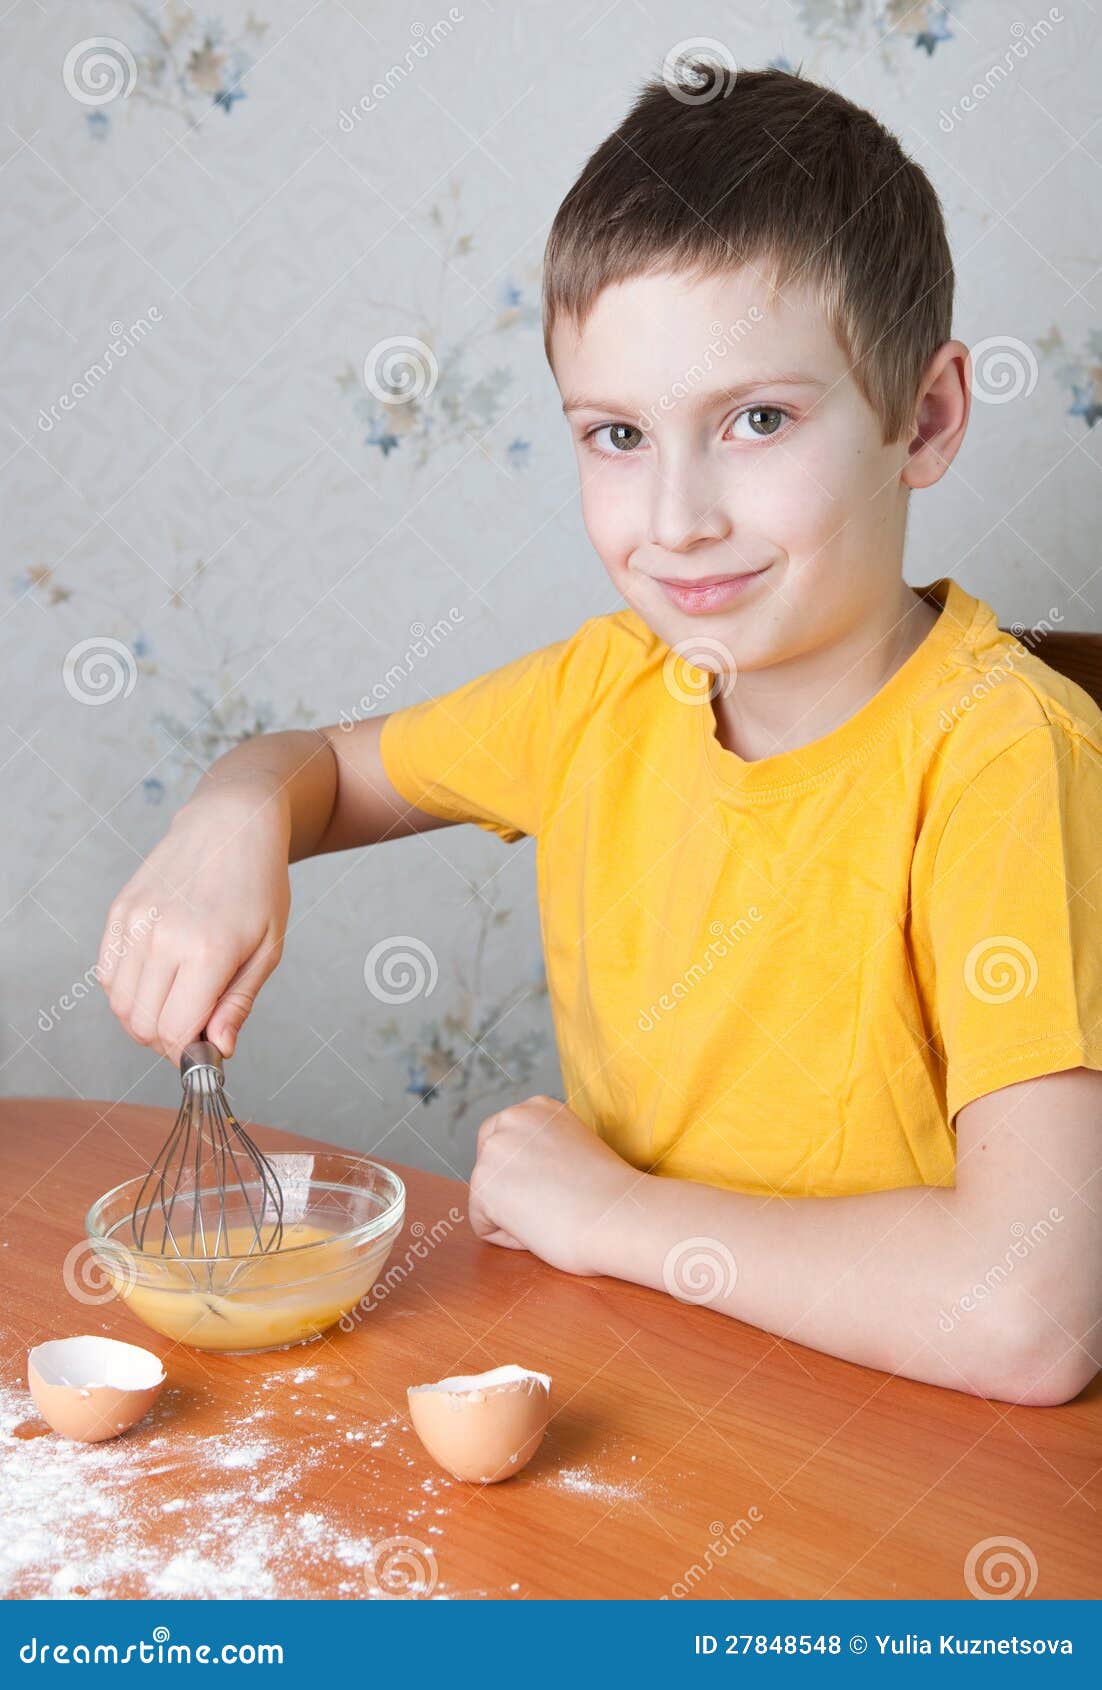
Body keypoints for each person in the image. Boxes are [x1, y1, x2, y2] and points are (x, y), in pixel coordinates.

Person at [99, 66, 1102, 1406]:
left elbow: (1031, 1317)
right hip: (649, 1400)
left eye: (758, 420)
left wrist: (610, 1214)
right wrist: (233, 812)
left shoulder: (1002, 758)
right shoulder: (601, 694)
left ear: (921, 418)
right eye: (618, 434)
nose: (677, 518)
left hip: (906, 1464)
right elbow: (318, 771)